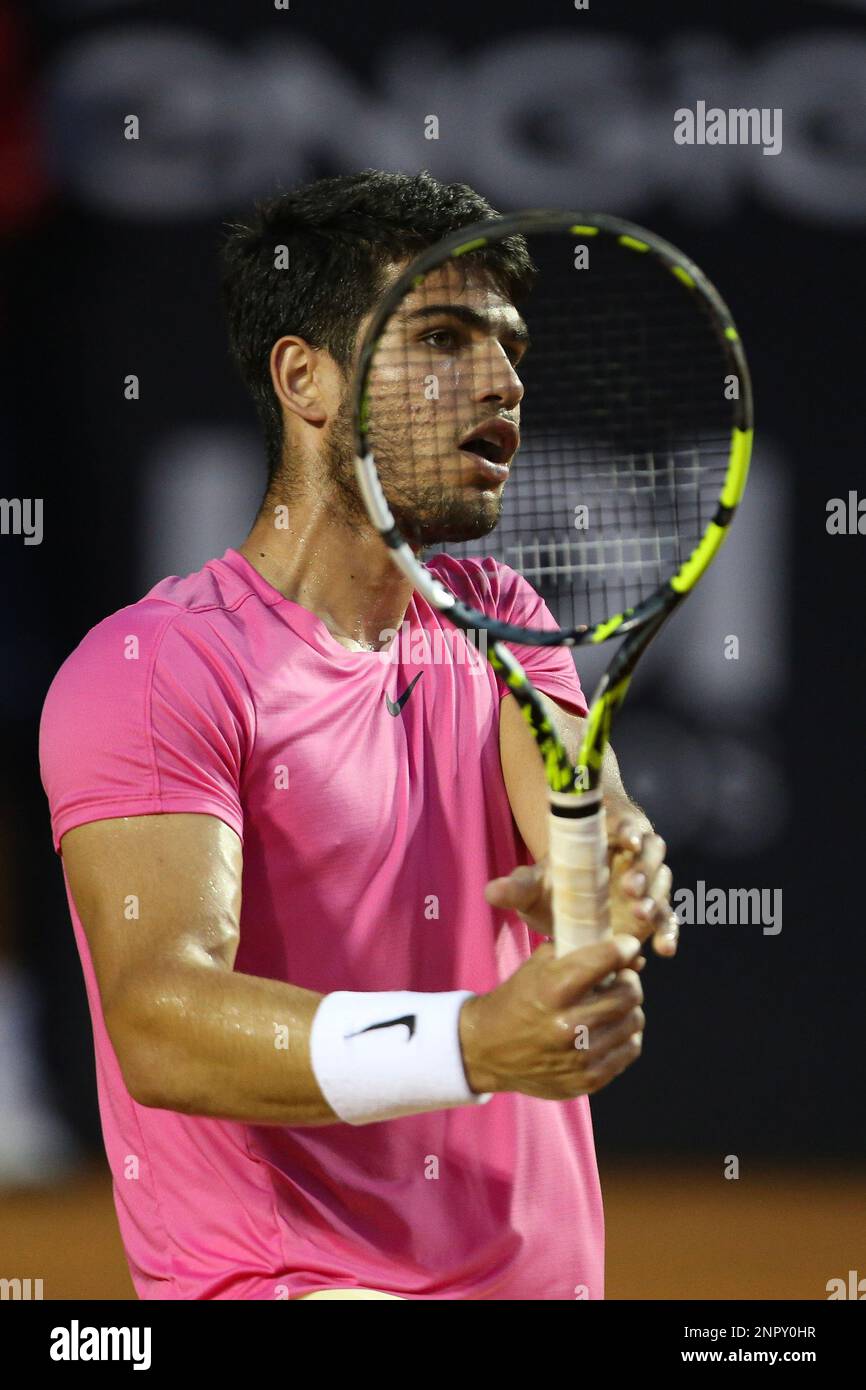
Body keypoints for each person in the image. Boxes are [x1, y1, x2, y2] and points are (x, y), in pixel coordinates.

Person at [39, 169, 677, 1301]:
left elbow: (582, 828)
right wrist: (473, 1040)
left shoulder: (501, 622)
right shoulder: (154, 671)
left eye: (511, 348)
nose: (500, 381)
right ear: (306, 380)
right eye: (441, 337)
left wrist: (613, 878)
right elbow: (158, 1019)